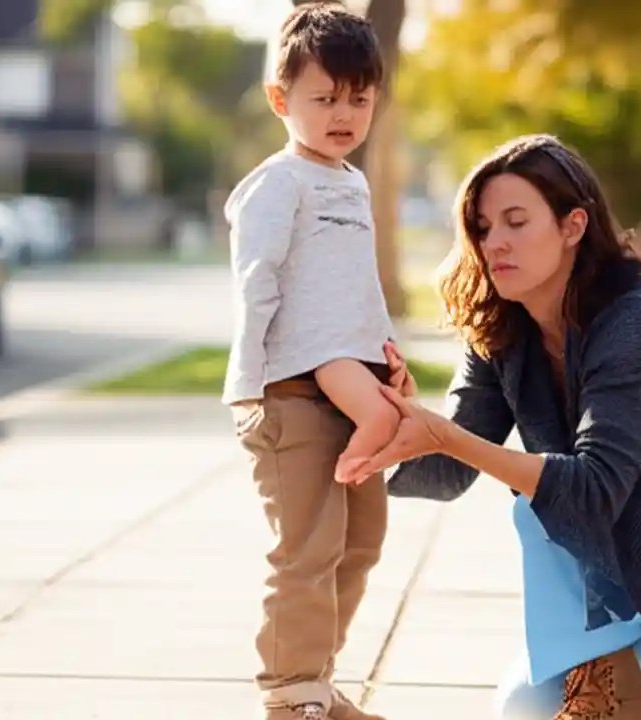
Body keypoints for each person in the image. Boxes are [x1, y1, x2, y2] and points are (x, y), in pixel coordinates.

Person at [343, 134, 641, 720]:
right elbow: (446, 470)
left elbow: (591, 490)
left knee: (537, 505)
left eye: (516, 222)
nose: (494, 242)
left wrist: (443, 434)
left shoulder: (640, 322)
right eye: (483, 228)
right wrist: (392, 419)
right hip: (624, 572)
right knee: (522, 711)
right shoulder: (504, 331)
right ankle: (604, 683)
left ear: (573, 226)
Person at [221, 4, 398, 719]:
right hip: (291, 392)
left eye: (359, 99)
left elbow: (357, 287)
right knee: (308, 546)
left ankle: (318, 681)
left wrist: (387, 360)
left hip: (354, 389)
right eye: (324, 99)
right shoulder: (278, 184)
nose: (343, 115)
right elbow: (255, 281)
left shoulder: (353, 182)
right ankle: (290, 692)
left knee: (361, 542)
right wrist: (248, 387)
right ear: (280, 99)